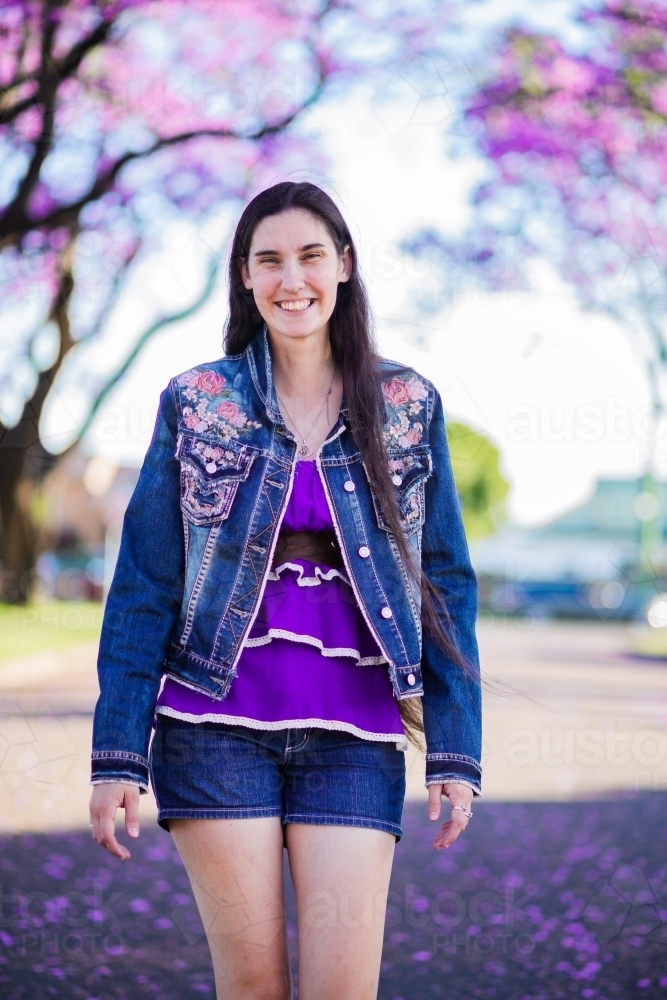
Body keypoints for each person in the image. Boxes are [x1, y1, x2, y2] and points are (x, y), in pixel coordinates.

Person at [89, 181, 482, 1000]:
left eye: (309, 255)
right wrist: (116, 753)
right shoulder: (198, 403)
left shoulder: (407, 405)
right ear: (244, 276)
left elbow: (442, 578)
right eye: (268, 260)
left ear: (342, 265)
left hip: (355, 731)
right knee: (254, 991)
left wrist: (454, 746)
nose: (290, 279)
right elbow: (145, 585)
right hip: (212, 725)